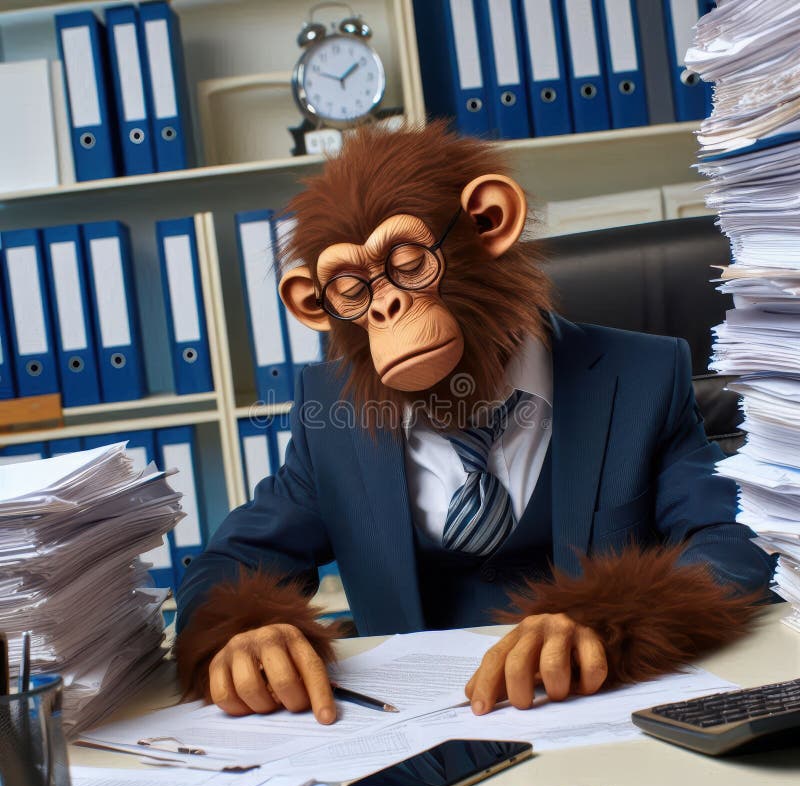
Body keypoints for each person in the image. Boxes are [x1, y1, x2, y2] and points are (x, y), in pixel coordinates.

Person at [175, 123, 773, 726]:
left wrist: (610, 623)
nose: (385, 306)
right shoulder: (333, 418)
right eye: (353, 289)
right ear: (315, 304)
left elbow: (734, 540)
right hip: (410, 734)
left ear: (490, 221)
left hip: (594, 711)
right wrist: (242, 632)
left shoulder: (640, 377)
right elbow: (228, 563)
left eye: (407, 262)